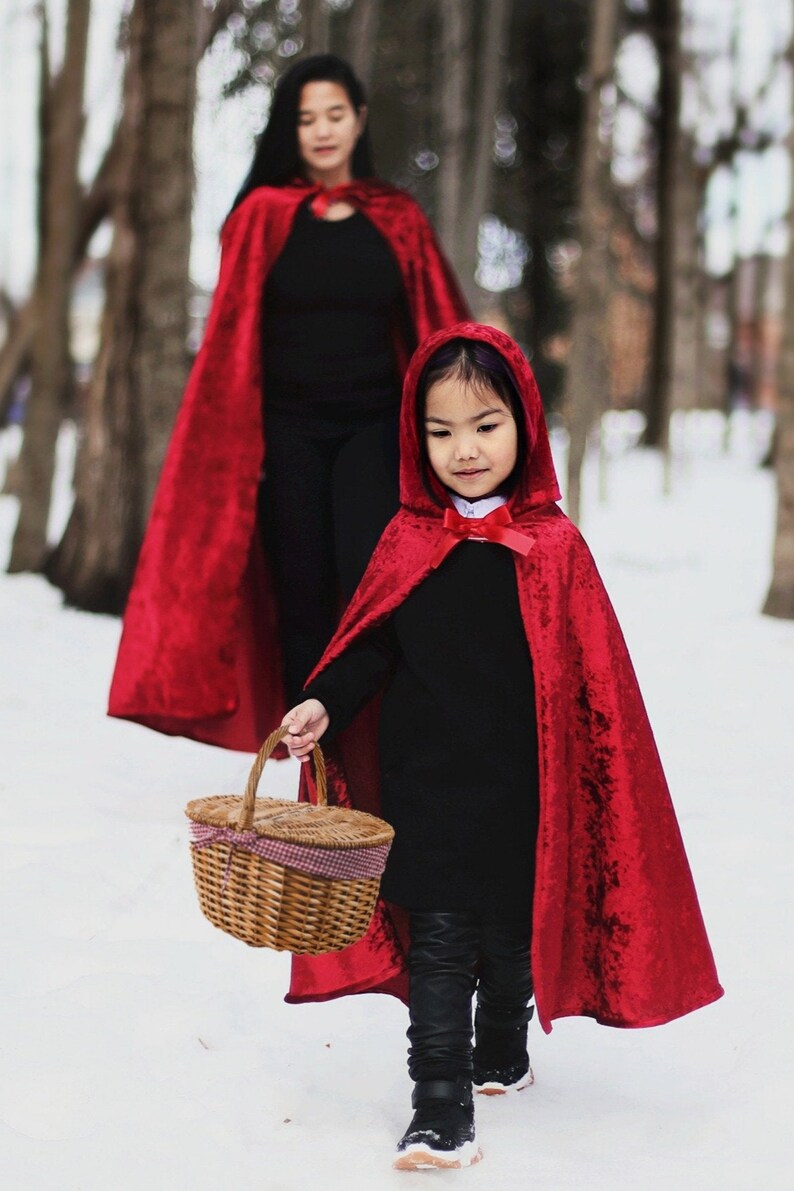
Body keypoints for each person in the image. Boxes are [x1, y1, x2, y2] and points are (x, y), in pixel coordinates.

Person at [280, 322, 723, 1171]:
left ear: (524, 423)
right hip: (426, 787)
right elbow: (371, 646)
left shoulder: (554, 547)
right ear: (418, 440)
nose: (465, 449)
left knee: (514, 933)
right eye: (440, 432)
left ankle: (504, 1044)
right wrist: (323, 702)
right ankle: (438, 1104)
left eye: (485, 425)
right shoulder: (407, 540)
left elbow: (593, 686)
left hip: (527, 788)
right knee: (442, 940)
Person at [108, 55, 468, 751]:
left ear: (359, 120)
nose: (322, 130)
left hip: (374, 430)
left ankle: (387, 745)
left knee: (373, 587)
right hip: (287, 435)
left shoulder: (398, 220)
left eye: (335, 114)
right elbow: (228, 346)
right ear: (289, 130)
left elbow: (437, 328)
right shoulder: (260, 218)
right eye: (306, 119)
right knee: (302, 596)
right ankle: (318, 767)